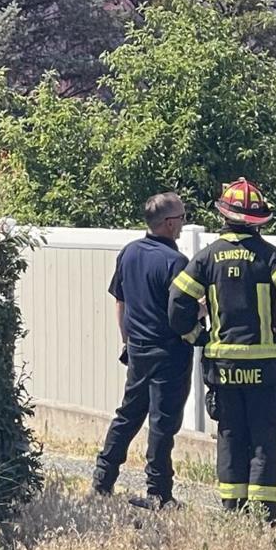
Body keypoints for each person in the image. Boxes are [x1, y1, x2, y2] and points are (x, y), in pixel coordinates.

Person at [168, 178, 276, 525]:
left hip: (224, 368)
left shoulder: (207, 258)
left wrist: (195, 335)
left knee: (230, 436)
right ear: (259, 220)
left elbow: (177, 300)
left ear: (224, 215)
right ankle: (263, 517)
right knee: (265, 439)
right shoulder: (270, 256)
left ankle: (233, 512)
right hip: (265, 368)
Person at [92, 191, 196, 508]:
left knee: (128, 415)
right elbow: (182, 311)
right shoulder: (175, 262)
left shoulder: (130, 253)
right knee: (162, 424)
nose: (183, 223)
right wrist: (202, 313)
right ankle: (159, 492)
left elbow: (120, 301)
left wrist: (127, 340)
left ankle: (102, 480)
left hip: (138, 348)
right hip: (169, 353)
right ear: (169, 223)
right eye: (182, 217)